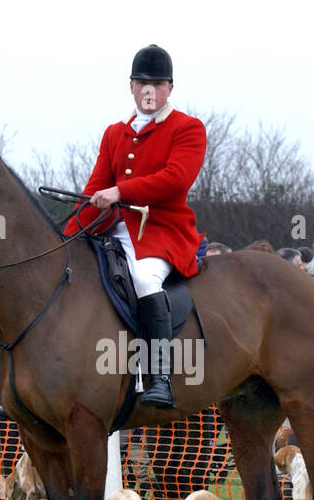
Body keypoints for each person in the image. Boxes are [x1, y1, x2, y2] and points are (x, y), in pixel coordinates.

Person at [62, 44, 206, 410]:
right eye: (143, 83)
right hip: (111, 231)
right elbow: (95, 189)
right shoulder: (114, 133)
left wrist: (119, 191)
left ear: (169, 88)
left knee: (144, 278)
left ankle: (160, 377)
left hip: (162, 233)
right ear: (130, 87)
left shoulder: (187, 128)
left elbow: (176, 179)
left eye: (157, 84)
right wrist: (67, 236)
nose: (149, 90)